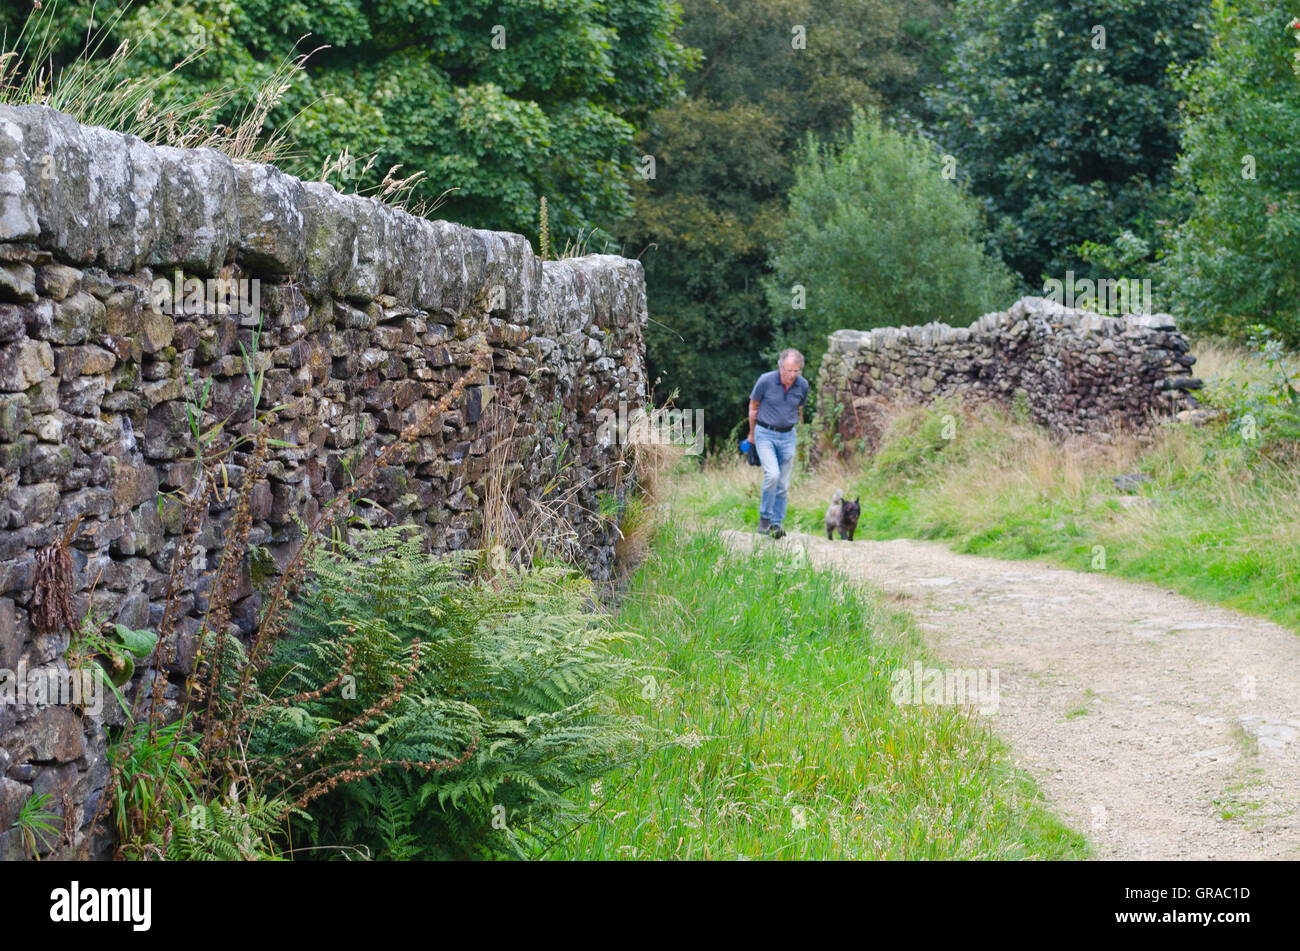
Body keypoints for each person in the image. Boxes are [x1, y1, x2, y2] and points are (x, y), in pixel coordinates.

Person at [747, 349, 809, 539]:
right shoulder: (765, 380)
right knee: (772, 475)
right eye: (788, 370)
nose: (791, 375)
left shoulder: (803, 385)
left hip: (788, 436)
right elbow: (753, 407)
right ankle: (765, 518)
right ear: (780, 366)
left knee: (783, 483)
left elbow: (798, 410)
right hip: (765, 433)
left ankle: (776, 524)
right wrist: (752, 434)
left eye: (795, 371)